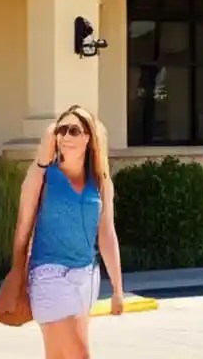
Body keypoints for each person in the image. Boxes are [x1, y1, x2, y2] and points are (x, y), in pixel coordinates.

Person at [12, 104, 124, 359]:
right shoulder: (43, 174)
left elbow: (107, 235)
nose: (65, 137)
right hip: (49, 275)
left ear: (88, 137)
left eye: (74, 130)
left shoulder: (101, 182)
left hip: (86, 277)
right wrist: (18, 273)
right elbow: (23, 221)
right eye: (61, 130)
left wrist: (118, 289)